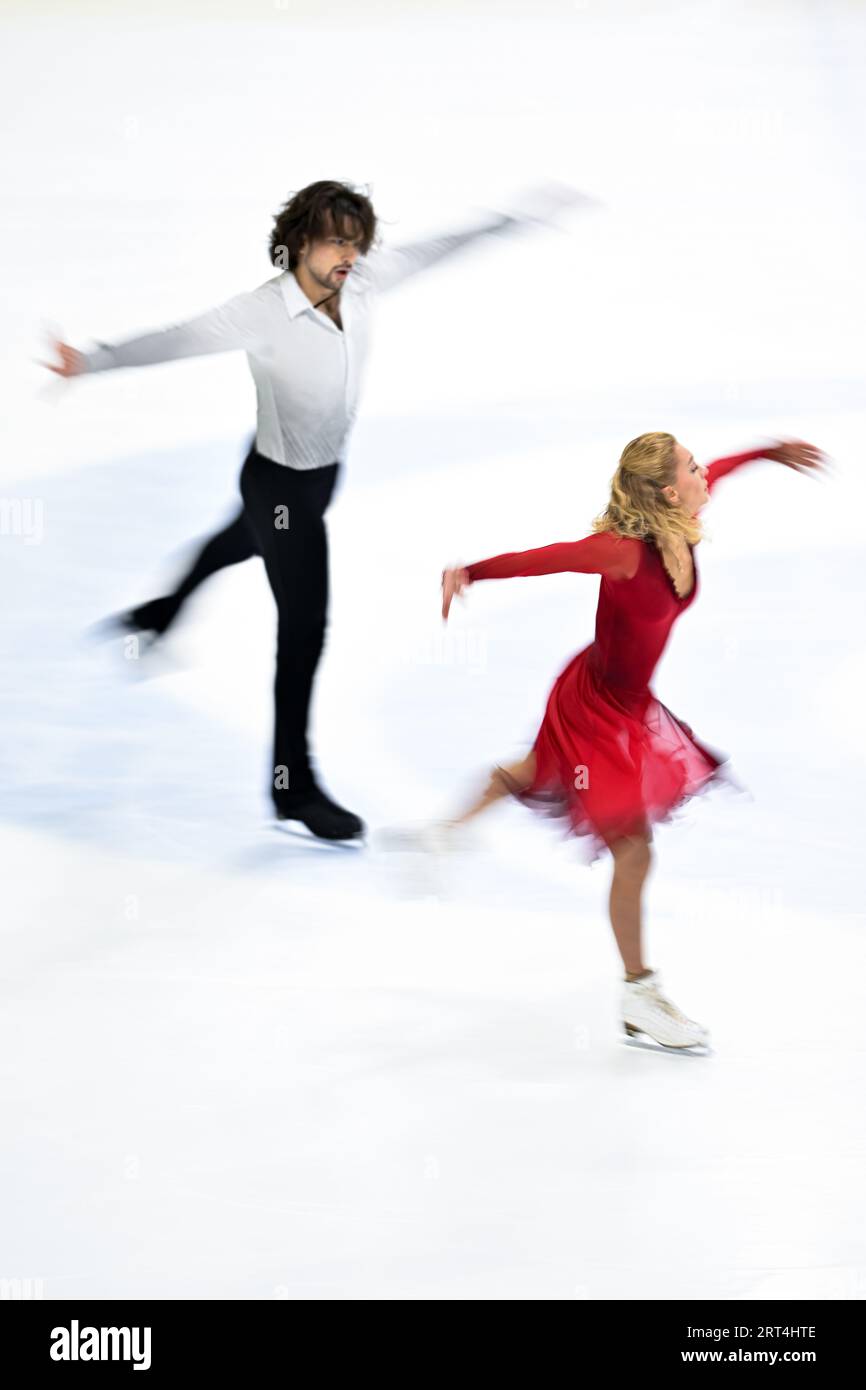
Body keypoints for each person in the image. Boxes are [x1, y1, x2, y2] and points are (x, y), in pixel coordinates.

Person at [43, 179, 590, 841]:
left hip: (318, 479)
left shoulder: (362, 284)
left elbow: (440, 249)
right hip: (278, 488)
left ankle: (158, 612)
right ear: (299, 242)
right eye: (334, 240)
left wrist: (513, 219)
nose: (347, 255)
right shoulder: (262, 312)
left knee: (240, 541)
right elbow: (178, 339)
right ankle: (292, 786)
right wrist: (92, 362)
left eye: (355, 242)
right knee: (304, 629)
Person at [438, 433, 826, 1049]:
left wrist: (766, 453)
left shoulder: (680, 512)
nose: (707, 473)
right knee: (634, 848)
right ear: (671, 490)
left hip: (626, 704)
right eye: (694, 468)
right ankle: (639, 993)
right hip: (595, 706)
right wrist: (470, 573)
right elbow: (551, 556)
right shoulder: (620, 553)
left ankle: (449, 830)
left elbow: (722, 468)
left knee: (540, 771)